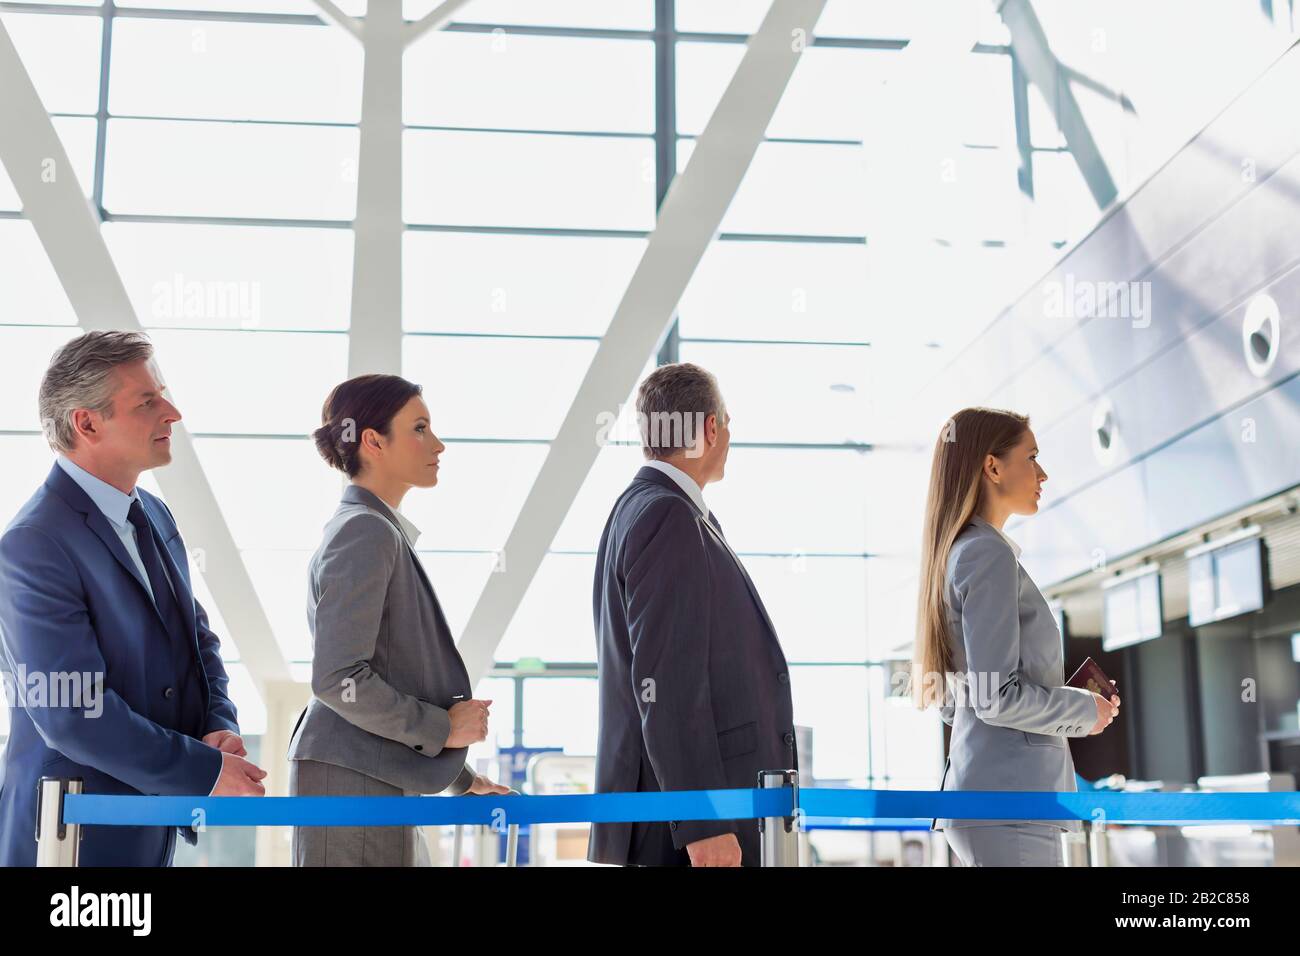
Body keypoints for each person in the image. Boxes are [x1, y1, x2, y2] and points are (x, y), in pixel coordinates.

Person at [0, 330, 265, 867]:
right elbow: (71, 710)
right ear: (87, 422)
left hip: (147, 829)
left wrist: (219, 726)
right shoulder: (33, 544)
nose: (173, 412)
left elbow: (198, 642)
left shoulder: (153, 513)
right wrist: (202, 771)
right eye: (148, 402)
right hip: (66, 840)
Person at [288, 373, 508, 867]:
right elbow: (338, 677)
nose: (439, 444)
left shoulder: (373, 528)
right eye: (420, 428)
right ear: (372, 442)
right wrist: (442, 728)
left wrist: (462, 780)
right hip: (352, 783)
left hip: (368, 778)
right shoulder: (364, 532)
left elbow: (385, 676)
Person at [588, 362, 797, 868]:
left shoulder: (642, 509)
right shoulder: (668, 515)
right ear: (709, 428)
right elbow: (667, 682)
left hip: (674, 817)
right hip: (686, 830)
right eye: (726, 421)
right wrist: (703, 822)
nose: (728, 434)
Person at [912, 407, 1121, 866]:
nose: (1042, 473)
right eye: (1032, 457)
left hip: (993, 801)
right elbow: (996, 698)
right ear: (992, 467)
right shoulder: (986, 553)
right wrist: (1085, 710)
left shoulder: (965, 552)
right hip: (1009, 804)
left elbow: (959, 699)